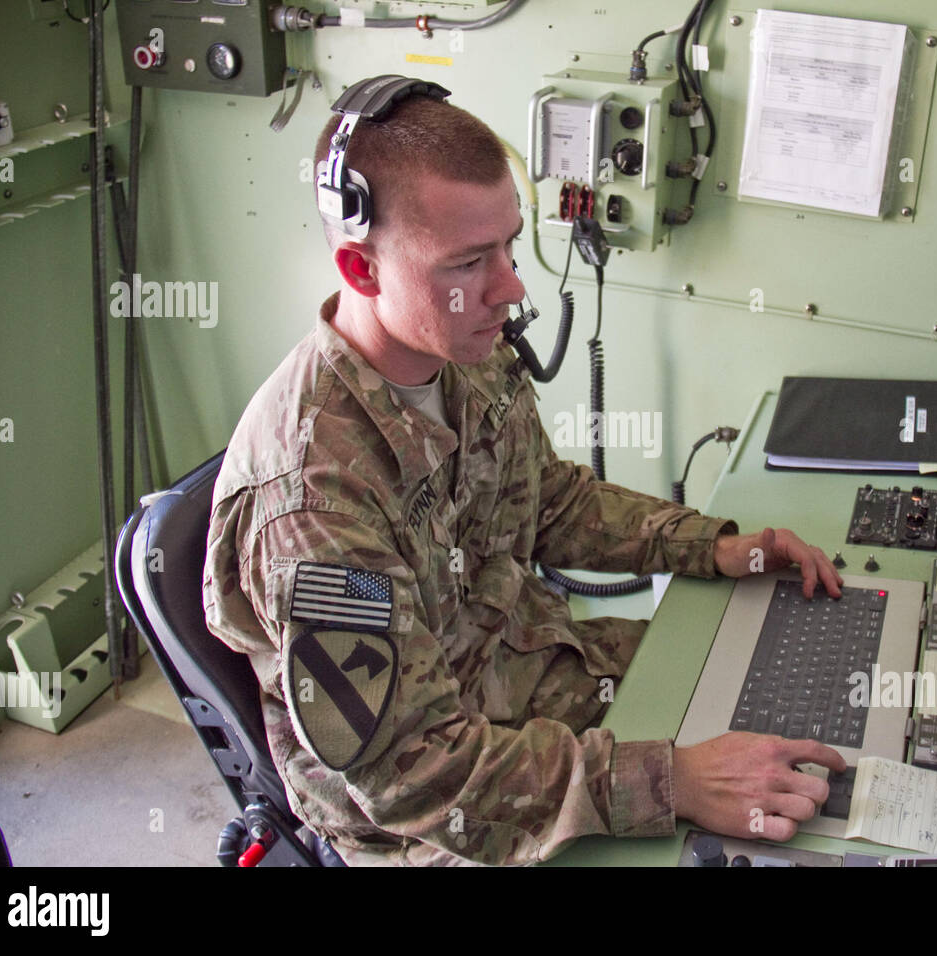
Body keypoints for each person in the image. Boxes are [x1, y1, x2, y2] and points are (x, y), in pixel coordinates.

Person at [202, 83, 846, 865]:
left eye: (509, 245)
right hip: (425, 818)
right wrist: (668, 782)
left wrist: (709, 545)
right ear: (361, 270)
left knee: (774, 696)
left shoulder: (460, 345)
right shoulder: (312, 506)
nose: (510, 288)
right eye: (470, 262)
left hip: (528, 670)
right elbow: (410, 774)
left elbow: (544, 501)